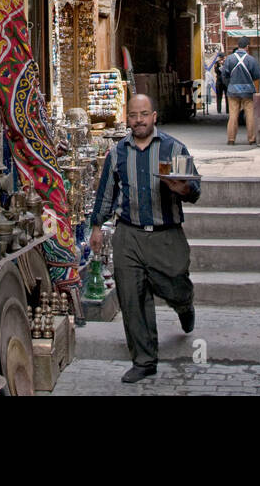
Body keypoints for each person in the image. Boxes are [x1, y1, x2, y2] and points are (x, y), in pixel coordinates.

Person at [88, 94, 200, 383]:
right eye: (133, 115)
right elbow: (106, 193)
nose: (138, 120)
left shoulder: (174, 148)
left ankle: (184, 304)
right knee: (132, 297)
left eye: (144, 114)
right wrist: (97, 226)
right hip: (129, 235)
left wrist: (182, 189)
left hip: (166, 235)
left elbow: (195, 190)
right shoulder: (117, 153)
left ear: (154, 117)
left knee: (175, 284)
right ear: (128, 118)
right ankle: (144, 360)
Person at [220, 36, 260, 145]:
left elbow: (224, 75)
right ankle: (251, 139)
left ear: (238, 46)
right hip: (248, 92)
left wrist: (230, 85)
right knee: (250, 115)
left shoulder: (229, 59)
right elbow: (256, 76)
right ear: (247, 46)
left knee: (233, 115)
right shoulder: (251, 60)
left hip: (233, 91)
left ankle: (231, 139)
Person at [212, 50, 227, 114]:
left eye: (222, 57)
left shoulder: (227, 63)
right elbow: (216, 71)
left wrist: (223, 65)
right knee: (219, 96)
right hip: (219, 81)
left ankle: (228, 110)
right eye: (220, 57)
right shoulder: (217, 63)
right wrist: (220, 66)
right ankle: (219, 110)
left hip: (225, 81)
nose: (221, 58)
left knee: (227, 96)